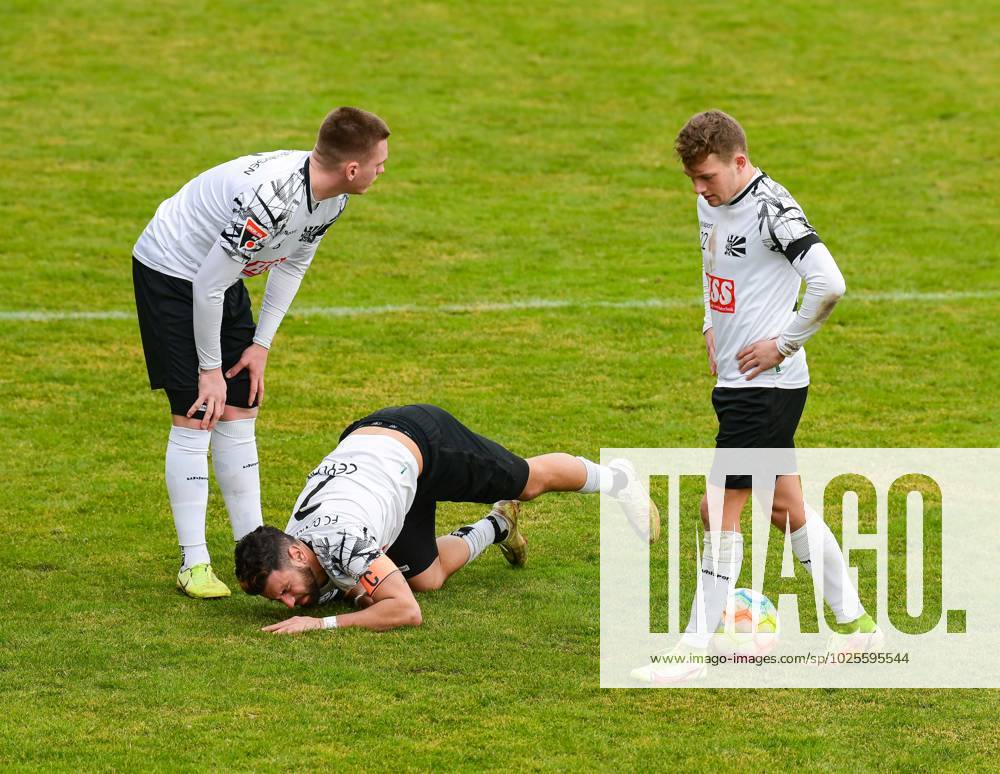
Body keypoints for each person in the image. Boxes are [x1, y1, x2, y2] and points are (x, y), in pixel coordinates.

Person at [634, 110, 877, 683]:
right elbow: (712, 261)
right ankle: (859, 627)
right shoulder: (712, 200)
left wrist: (783, 344)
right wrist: (710, 323)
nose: (699, 189)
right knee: (784, 506)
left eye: (707, 176)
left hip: (764, 388)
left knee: (717, 507)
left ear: (739, 161)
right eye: (692, 178)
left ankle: (693, 650)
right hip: (739, 384)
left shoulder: (774, 210)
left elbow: (830, 283)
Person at [132, 107, 390, 599]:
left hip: (221, 274)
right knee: (197, 412)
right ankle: (194, 563)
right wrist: (210, 370)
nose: (382, 170)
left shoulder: (331, 199)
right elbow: (206, 286)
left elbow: (293, 263)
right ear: (352, 168)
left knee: (240, 406)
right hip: (173, 270)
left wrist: (261, 345)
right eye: (379, 163)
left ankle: (258, 549)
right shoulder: (272, 201)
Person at [235, 403, 658, 633]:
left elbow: (406, 612)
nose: (289, 604)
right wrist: (357, 594)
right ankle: (500, 525)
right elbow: (365, 588)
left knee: (527, 482)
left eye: (286, 590)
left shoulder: (342, 541)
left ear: (297, 552)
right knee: (426, 578)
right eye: (278, 600)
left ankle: (618, 477)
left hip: (419, 440)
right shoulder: (295, 544)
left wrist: (320, 625)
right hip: (385, 472)